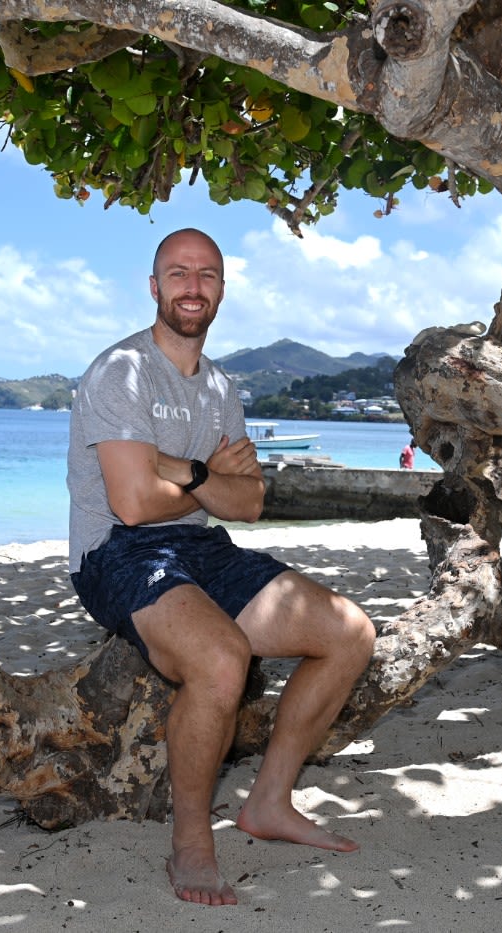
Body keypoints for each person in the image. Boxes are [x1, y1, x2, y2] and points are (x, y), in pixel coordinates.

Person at [66, 228, 377, 907]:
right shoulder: (120, 371)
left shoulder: (220, 388)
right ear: (154, 287)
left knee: (350, 631)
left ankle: (270, 800)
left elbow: (251, 502)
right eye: (178, 273)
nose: (193, 286)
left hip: (201, 549)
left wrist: (185, 471)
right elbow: (132, 503)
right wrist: (208, 478)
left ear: (222, 291)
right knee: (221, 656)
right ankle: (191, 842)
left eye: (206, 274)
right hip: (115, 551)